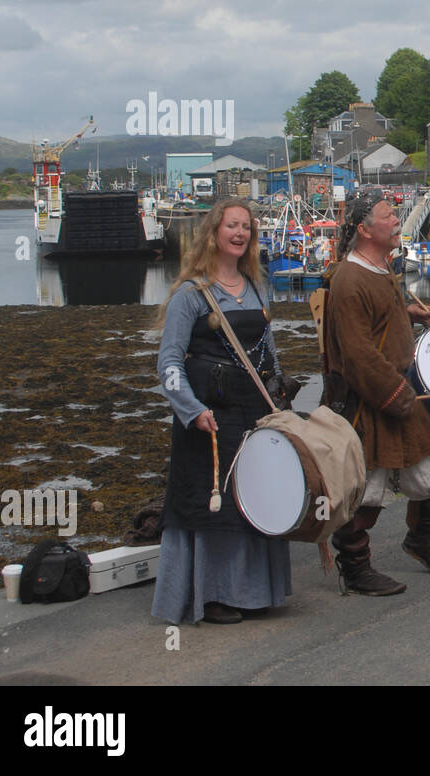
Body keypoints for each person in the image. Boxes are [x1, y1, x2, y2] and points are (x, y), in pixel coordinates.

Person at [152, 198, 293, 625]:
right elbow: (169, 364)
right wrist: (191, 411)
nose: (240, 233)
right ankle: (213, 596)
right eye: (232, 225)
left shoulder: (254, 286)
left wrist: (280, 400)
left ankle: (255, 593)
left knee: (254, 497)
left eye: (246, 227)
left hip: (253, 413)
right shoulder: (191, 295)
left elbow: (267, 351)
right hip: (208, 419)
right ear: (214, 233)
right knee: (215, 505)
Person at [322, 191, 430, 596]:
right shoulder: (349, 279)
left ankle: (420, 540)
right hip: (370, 400)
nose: (398, 219)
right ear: (364, 229)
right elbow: (358, 355)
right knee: (365, 488)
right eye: (388, 215)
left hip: (396, 390)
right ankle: (356, 567)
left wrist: (408, 313)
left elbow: (380, 320)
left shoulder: (381, 268)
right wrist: (397, 396)